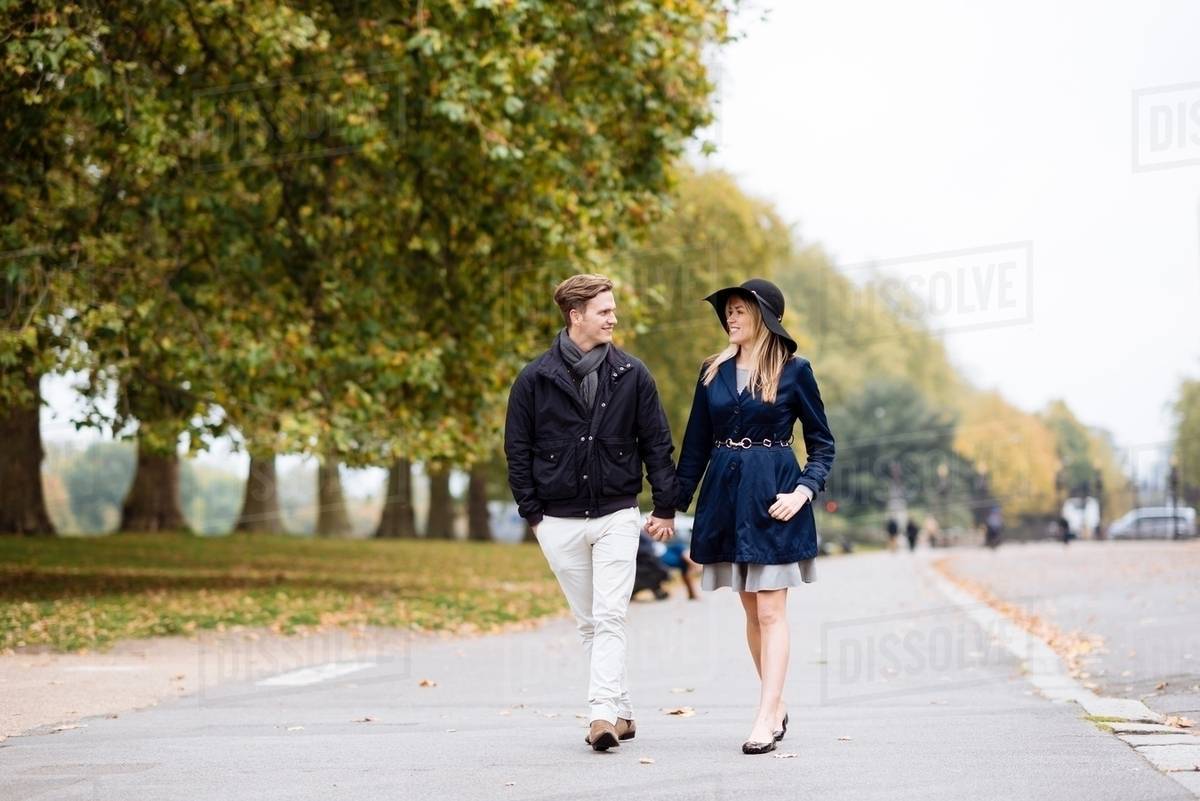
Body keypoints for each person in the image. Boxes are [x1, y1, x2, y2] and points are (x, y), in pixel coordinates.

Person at [503, 274, 678, 752]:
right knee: (589, 622)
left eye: (613, 309)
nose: (613, 318)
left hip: (617, 514)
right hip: (555, 521)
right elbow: (517, 450)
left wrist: (665, 504)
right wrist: (533, 513)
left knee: (610, 615)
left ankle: (600, 715)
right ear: (575, 315)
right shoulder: (534, 379)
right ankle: (621, 711)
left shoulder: (633, 375)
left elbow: (657, 443)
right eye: (604, 311)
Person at [672, 278, 835, 755]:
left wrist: (804, 491)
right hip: (726, 498)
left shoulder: (794, 371)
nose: (731, 318)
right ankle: (777, 702)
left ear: (764, 317)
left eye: (741, 310)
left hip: (776, 499)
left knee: (770, 608)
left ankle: (765, 715)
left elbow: (823, 443)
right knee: (749, 607)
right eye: (728, 311)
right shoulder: (712, 372)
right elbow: (696, 445)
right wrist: (669, 507)